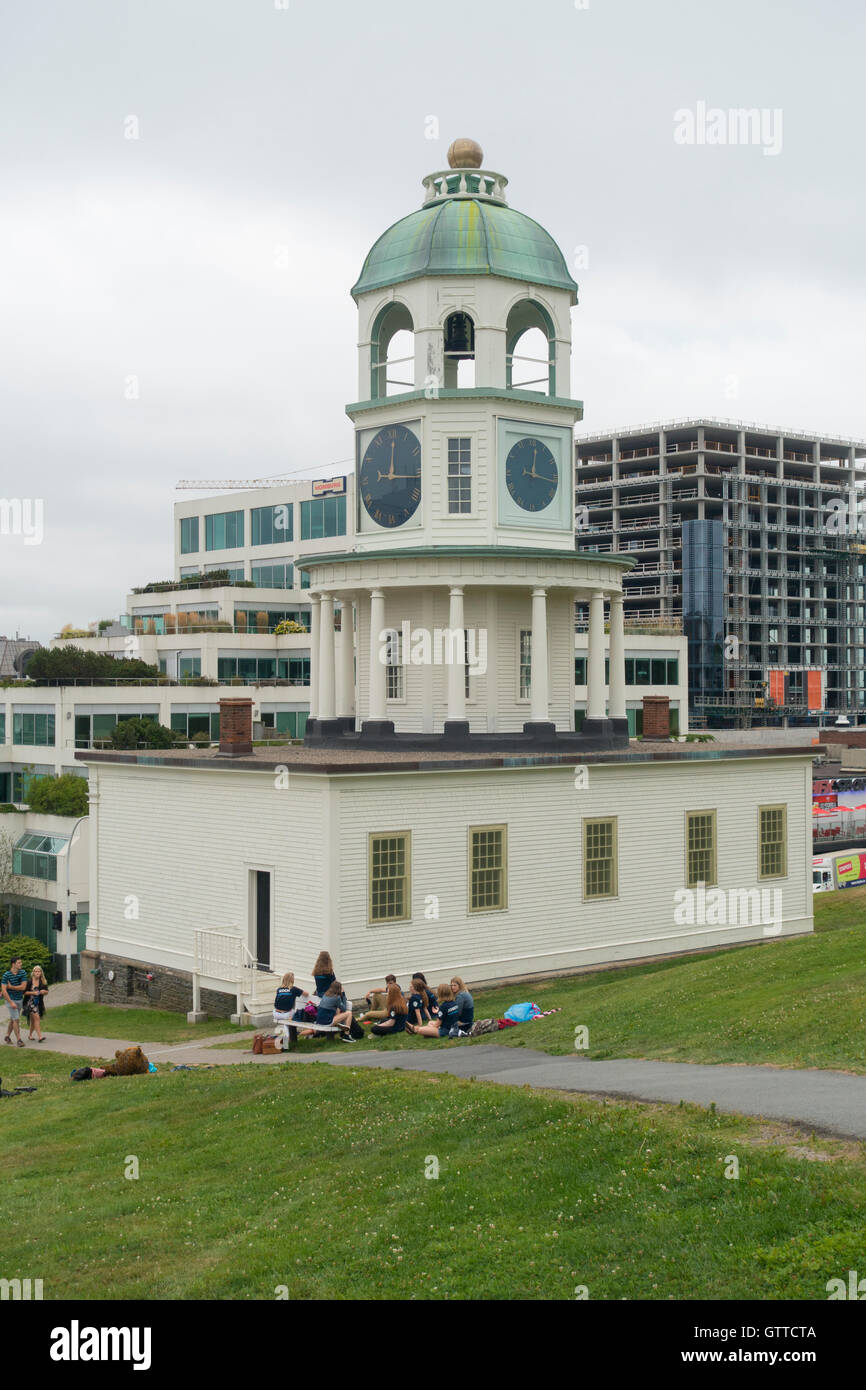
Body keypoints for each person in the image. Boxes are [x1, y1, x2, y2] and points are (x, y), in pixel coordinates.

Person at [2, 956, 28, 1048]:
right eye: (19, 963)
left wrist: (11, 987)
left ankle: (7, 1037)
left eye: (21, 962)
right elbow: (4, 991)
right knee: (16, 1019)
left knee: (13, 1019)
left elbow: (23, 987)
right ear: (13, 964)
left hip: (19, 999)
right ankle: (19, 1040)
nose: (21, 964)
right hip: (10, 999)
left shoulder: (23, 973)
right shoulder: (6, 975)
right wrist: (11, 1002)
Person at [23, 965, 49, 1042]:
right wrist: (33, 992)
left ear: (41, 972)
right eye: (36, 971)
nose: (38, 973)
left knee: (33, 1020)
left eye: (39, 971)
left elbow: (47, 991)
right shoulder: (29, 981)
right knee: (37, 1018)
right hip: (29, 1002)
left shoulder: (43, 981)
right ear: (33, 973)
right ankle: (40, 1037)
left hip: (38, 1003)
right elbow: (24, 992)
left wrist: (44, 992)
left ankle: (30, 1035)